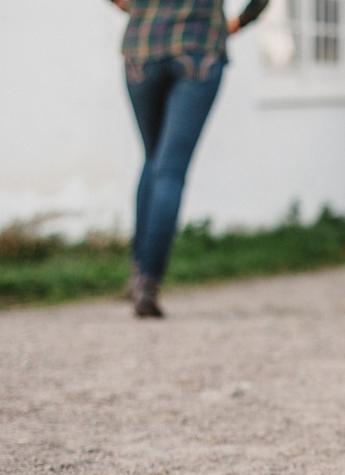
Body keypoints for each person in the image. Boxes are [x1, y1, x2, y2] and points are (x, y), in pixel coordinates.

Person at [110, 0, 269, 317]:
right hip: (199, 45)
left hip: (143, 46)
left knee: (153, 159)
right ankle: (148, 283)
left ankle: (138, 274)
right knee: (169, 169)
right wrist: (240, 21)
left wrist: (141, 7)